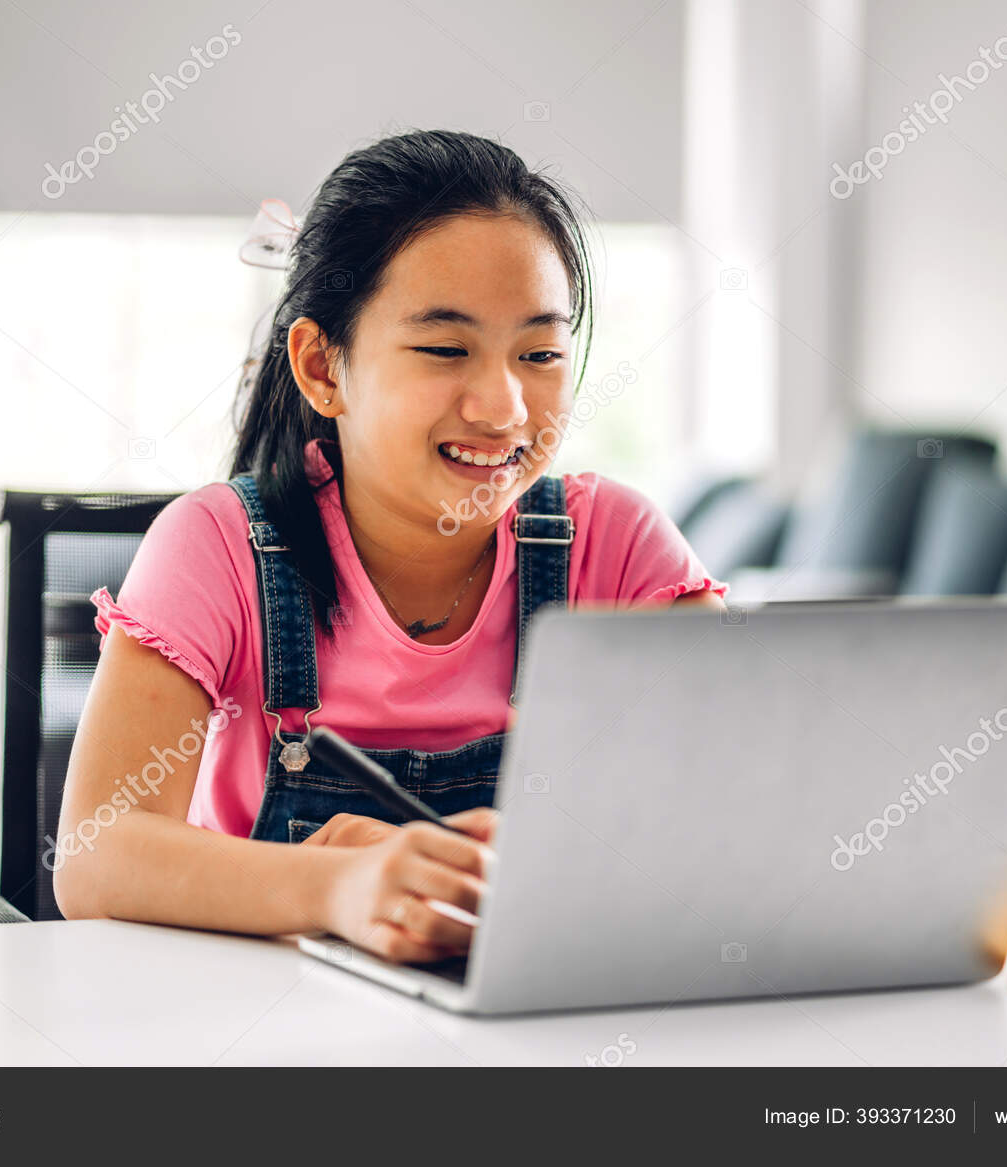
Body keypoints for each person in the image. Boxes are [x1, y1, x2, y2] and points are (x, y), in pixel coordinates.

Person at [55, 129, 726, 964]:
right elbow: (93, 855)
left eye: (541, 352)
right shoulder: (219, 545)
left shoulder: (617, 548)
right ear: (323, 367)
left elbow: (741, 811)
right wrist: (335, 888)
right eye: (446, 349)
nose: (503, 406)